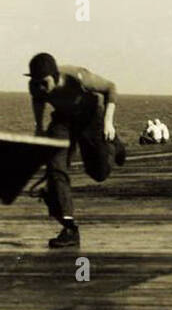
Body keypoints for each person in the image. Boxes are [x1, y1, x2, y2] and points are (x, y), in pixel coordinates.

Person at [28, 52, 127, 248]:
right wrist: (39, 128)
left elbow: (110, 88)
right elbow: (37, 100)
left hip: (90, 118)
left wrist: (108, 123)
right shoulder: (36, 86)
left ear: (56, 77)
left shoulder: (78, 77)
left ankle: (114, 145)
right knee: (56, 167)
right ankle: (69, 228)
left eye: (44, 82)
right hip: (63, 121)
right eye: (36, 82)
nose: (41, 87)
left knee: (98, 173)